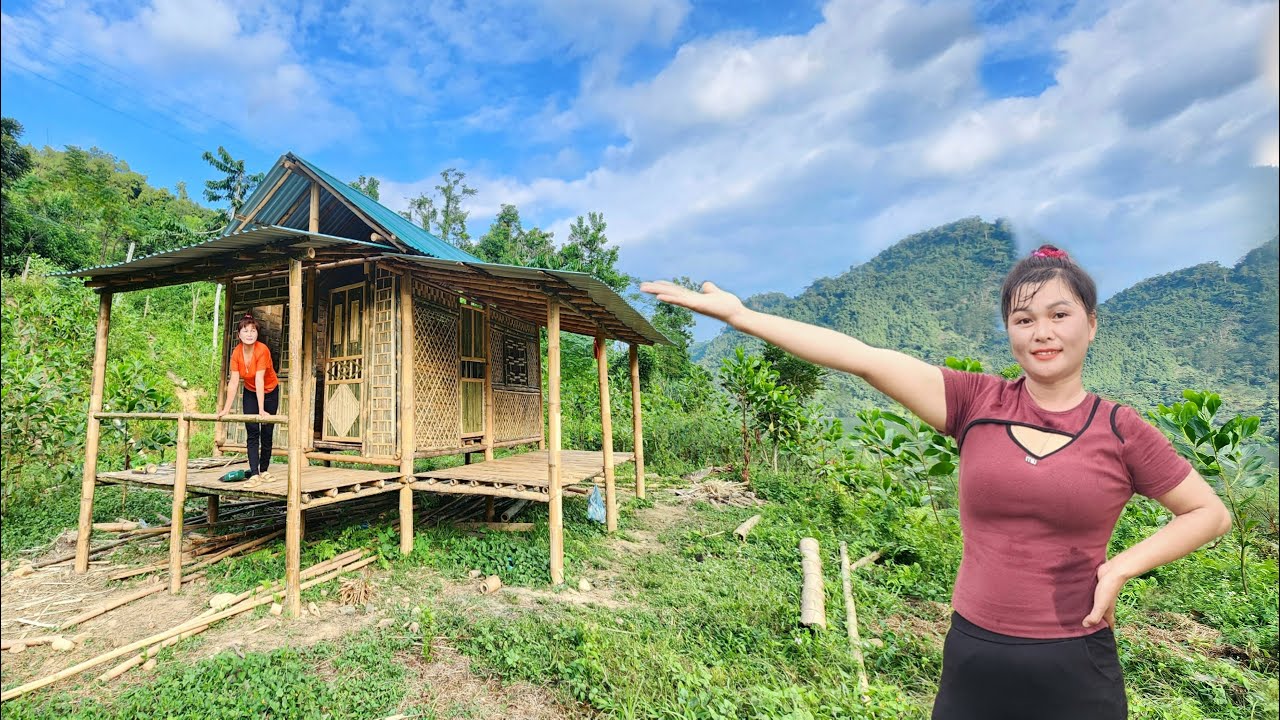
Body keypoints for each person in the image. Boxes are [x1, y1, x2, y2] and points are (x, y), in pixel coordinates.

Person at [641, 245, 1232, 720]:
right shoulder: (975, 401)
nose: (1041, 331)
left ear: (1091, 324)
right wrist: (743, 317)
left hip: (1076, 661)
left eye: (1059, 314)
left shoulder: (1121, 429)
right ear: (1009, 331)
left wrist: (1121, 566)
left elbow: (1208, 512)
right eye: (1023, 319)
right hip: (975, 652)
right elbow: (861, 357)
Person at [217, 313, 280, 486]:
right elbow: (234, 382)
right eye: (245, 331)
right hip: (250, 392)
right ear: (239, 335)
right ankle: (254, 473)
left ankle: (265, 469)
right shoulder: (236, 353)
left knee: (266, 432)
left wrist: (261, 410)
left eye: (253, 330)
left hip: (270, 392)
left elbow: (260, 379)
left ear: (257, 333)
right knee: (252, 432)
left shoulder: (262, 350)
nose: (250, 334)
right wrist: (226, 409)